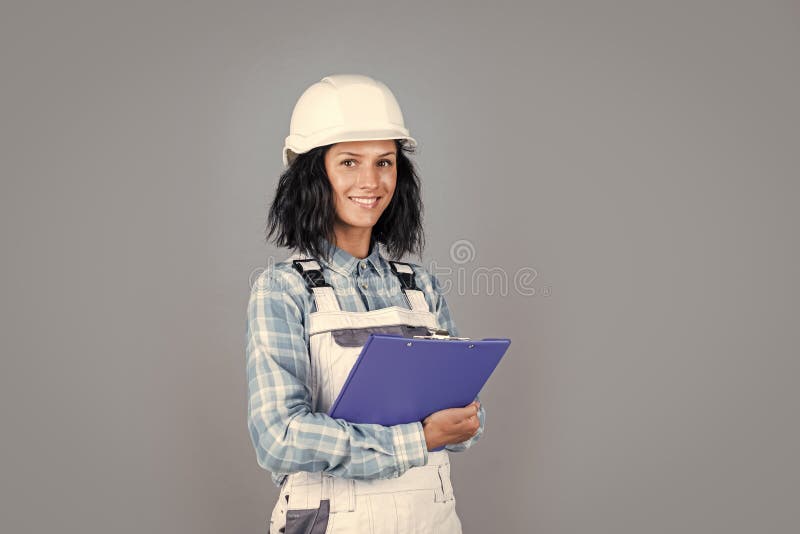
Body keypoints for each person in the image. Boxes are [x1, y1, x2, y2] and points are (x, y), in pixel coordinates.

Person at [246, 74, 485, 534]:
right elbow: (279, 439)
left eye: (385, 162)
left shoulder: (420, 288)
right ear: (313, 173)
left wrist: (467, 419)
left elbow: (465, 421)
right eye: (349, 162)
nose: (371, 181)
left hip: (432, 521)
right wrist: (417, 439)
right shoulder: (282, 290)